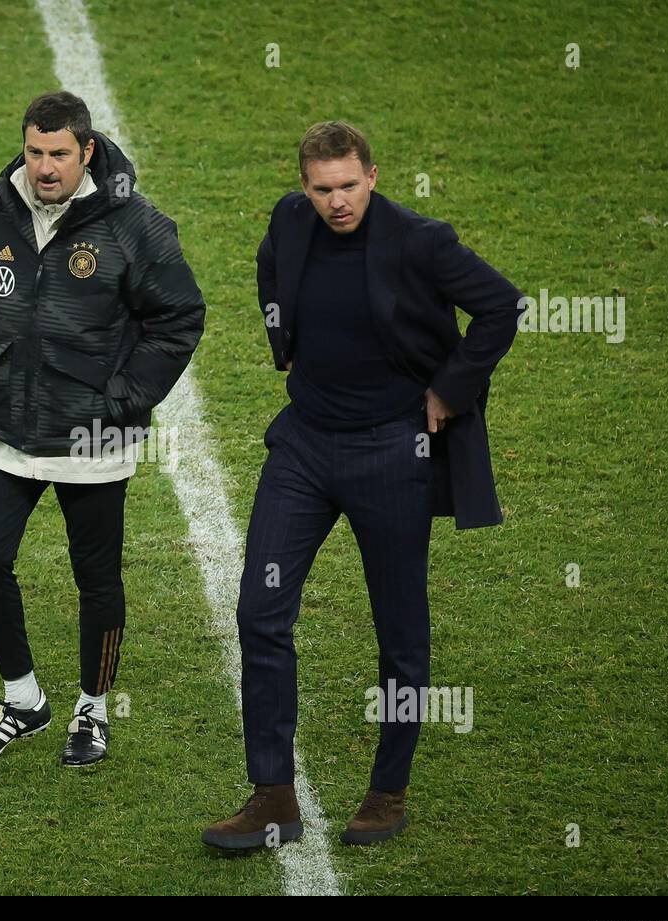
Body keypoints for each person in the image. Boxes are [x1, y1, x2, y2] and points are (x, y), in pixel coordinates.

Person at [203, 120, 522, 848]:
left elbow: (503, 306)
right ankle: (272, 795)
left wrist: (451, 389)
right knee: (260, 610)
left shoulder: (420, 241)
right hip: (305, 446)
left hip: (392, 450)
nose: (337, 202)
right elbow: (269, 271)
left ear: (372, 177)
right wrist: (279, 341)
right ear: (304, 186)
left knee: (399, 629)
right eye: (323, 189)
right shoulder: (290, 221)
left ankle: (387, 790)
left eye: (349, 186)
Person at [0, 90, 205, 767]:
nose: (44, 167)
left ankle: (92, 710)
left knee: (95, 579)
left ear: (86, 151)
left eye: (59, 154)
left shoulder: (135, 226)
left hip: (92, 440)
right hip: (5, 428)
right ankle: (24, 699)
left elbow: (178, 317)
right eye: (35, 152)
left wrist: (124, 397)